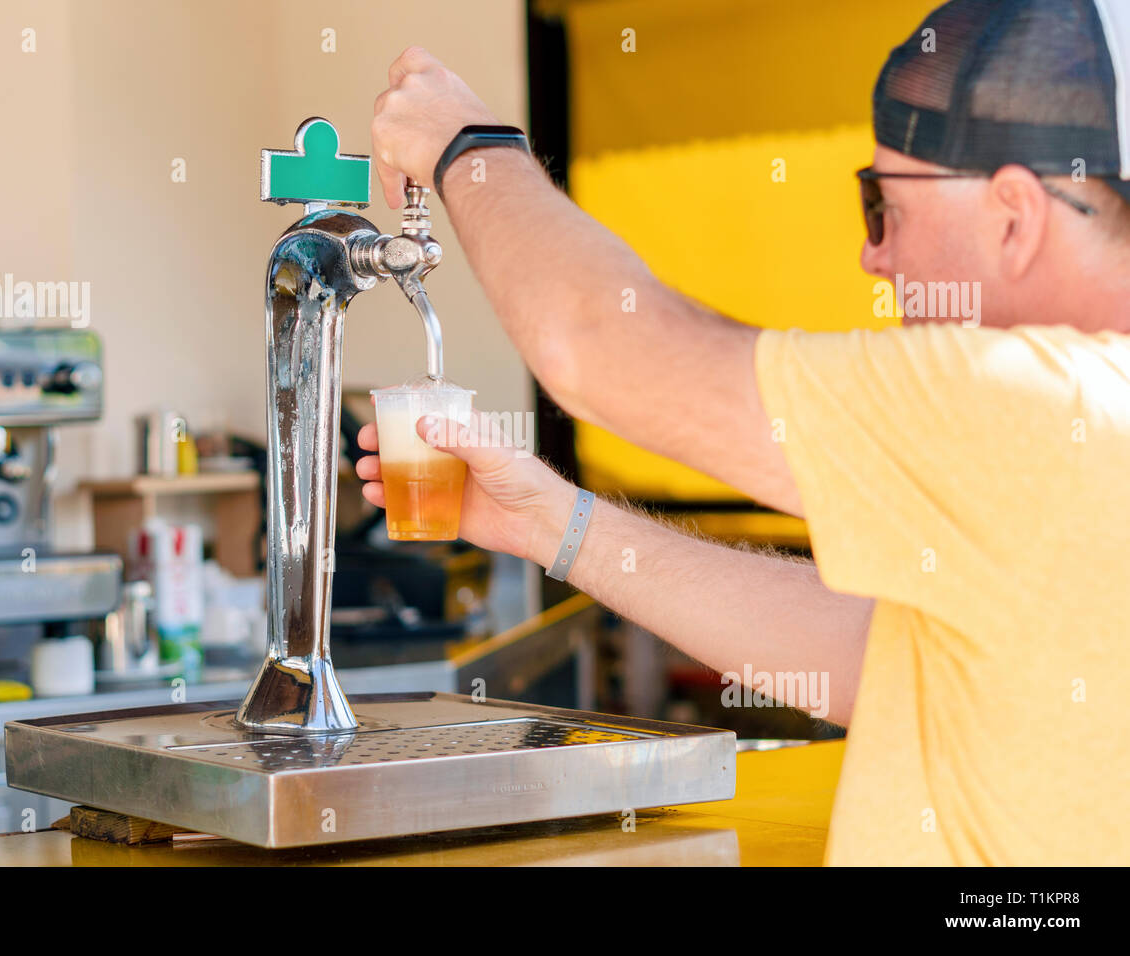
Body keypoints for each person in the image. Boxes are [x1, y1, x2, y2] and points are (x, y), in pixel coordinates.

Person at [356, 0, 1130, 865]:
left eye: (882, 205)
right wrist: (551, 522)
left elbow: (598, 348)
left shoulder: (1039, 406)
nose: (872, 257)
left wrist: (469, 144)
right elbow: (878, 656)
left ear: (1014, 217)